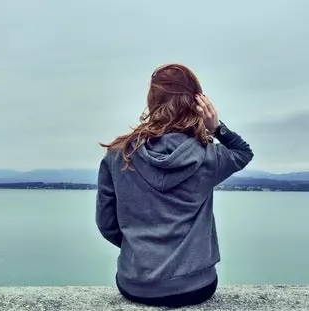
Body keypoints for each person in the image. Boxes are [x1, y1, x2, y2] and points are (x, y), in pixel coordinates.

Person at [96, 64, 253, 308]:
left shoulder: (118, 155)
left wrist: (138, 248)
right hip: (195, 287)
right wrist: (217, 127)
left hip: (135, 285)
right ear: (197, 103)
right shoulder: (207, 156)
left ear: (151, 101)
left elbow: (106, 224)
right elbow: (243, 153)